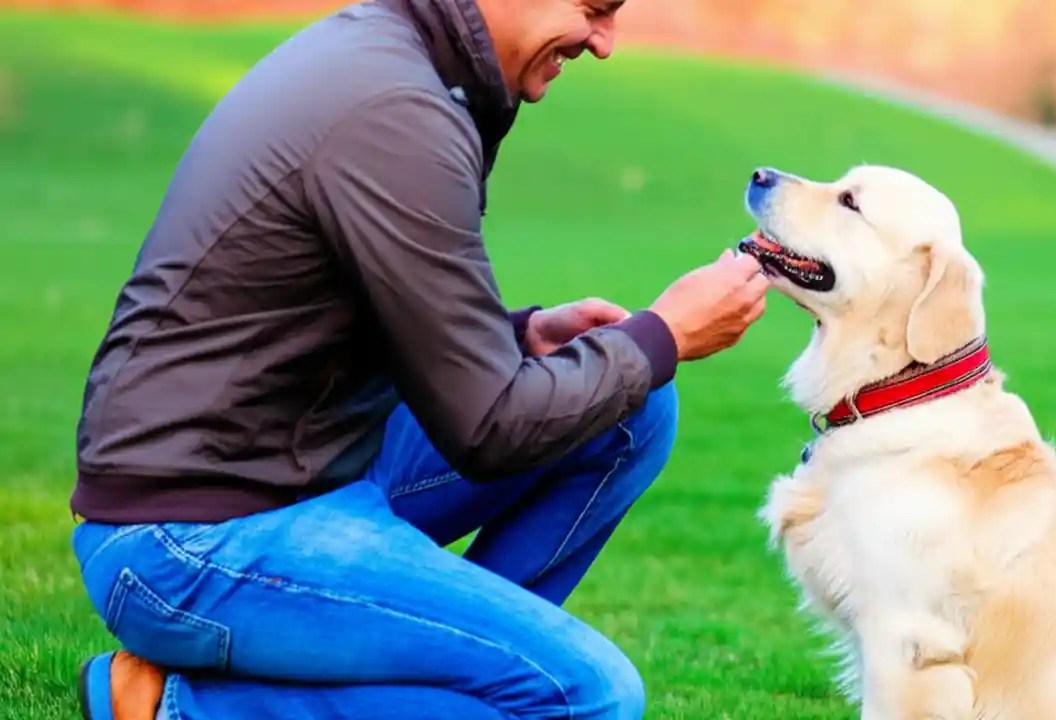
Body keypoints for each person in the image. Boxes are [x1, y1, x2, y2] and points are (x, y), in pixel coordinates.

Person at [68, 0, 769, 718]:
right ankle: (183, 707)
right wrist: (665, 336)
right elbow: (489, 430)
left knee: (634, 409)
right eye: (594, 9)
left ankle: (468, 668)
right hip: (191, 534)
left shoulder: (403, 61)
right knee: (587, 696)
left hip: (298, 463)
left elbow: (344, 314)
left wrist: (521, 334)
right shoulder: (395, 109)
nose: (605, 43)